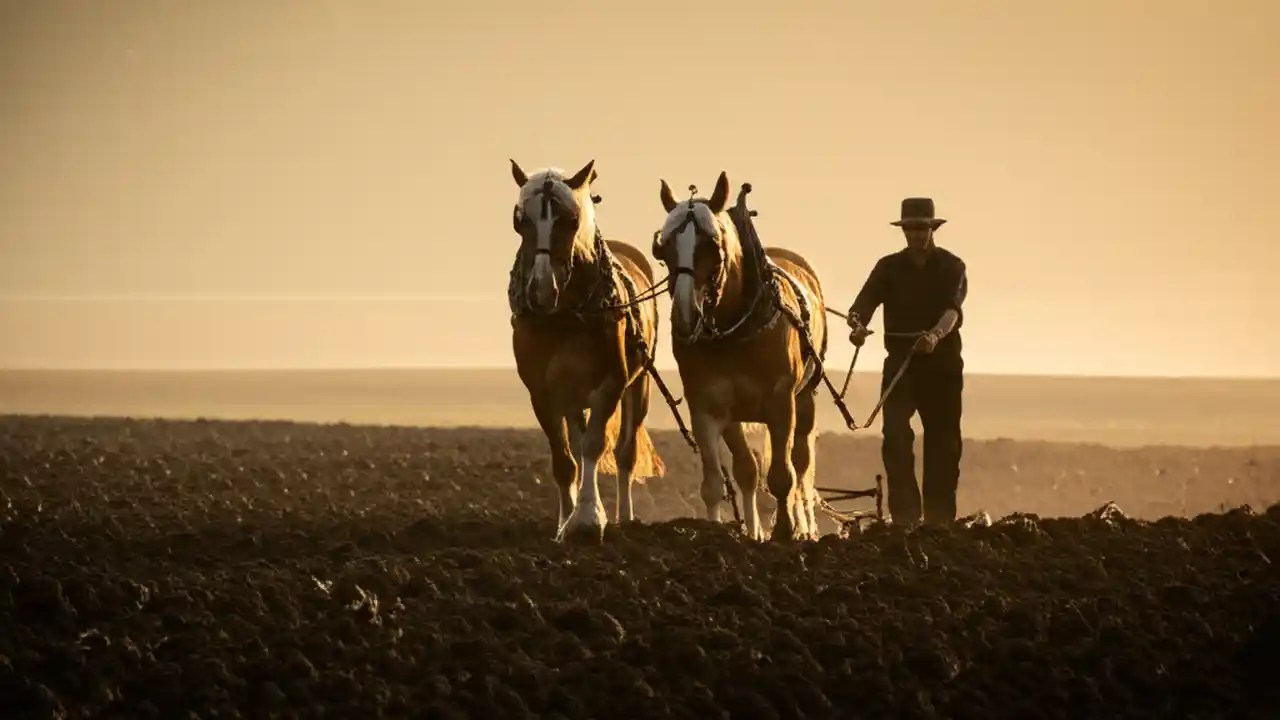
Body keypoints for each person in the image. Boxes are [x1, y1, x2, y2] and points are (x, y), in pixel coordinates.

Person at [847, 197, 968, 527]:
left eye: (921, 228)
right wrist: (857, 327)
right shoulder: (887, 267)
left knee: (943, 442)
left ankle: (939, 520)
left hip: (941, 368)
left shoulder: (952, 267)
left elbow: (952, 312)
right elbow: (862, 305)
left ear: (932, 229)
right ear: (904, 230)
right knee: (895, 437)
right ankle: (905, 518)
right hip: (901, 364)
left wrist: (934, 337)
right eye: (910, 229)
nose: (915, 234)